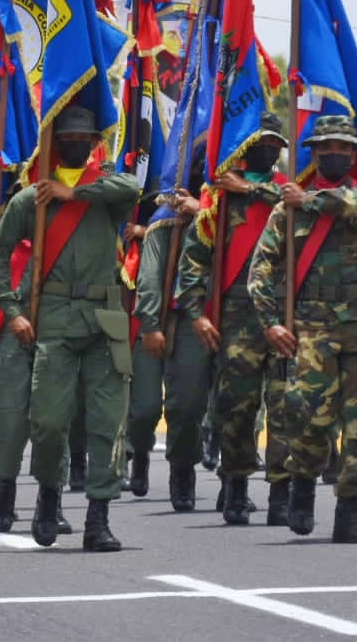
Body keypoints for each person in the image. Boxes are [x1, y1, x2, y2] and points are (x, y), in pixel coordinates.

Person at [0, 105, 140, 551]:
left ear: (94, 143)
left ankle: (99, 516)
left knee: (108, 421)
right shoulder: (30, 199)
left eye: (84, 138)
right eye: (68, 137)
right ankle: (49, 496)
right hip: (53, 313)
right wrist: (11, 309)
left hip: (108, 312)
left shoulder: (105, 191)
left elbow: (131, 186)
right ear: (53, 144)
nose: (77, 143)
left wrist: (74, 195)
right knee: (49, 421)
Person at [248, 115, 357, 544]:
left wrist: (304, 202)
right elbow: (260, 273)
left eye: (344, 149)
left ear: (354, 156)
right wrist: (271, 324)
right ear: (313, 153)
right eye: (326, 148)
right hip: (309, 326)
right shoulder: (284, 212)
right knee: (307, 417)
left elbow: (351, 207)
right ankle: (303, 483)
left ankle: (350, 511)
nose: (335, 155)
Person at [177, 115, 288, 524]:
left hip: (284, 312)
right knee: (236, 407)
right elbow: (193, 260)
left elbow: (303, 205)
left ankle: (281, 490)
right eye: (261, 143)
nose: (268, 150)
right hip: (237, 314)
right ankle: (236, 484)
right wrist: (196, 314)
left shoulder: (286, 193)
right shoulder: (219, 200)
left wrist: (252, 189)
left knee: (285, 407)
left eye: (275, 144)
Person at [132, 152, 209, 512]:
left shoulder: (221, 216)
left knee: (194, 407)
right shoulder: (165, 221)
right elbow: (149, 277)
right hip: (170, 321)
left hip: (208, 322)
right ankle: (152, 457)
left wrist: (206, 211)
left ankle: (192, 471)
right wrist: (149, 324)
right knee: (149, 408)